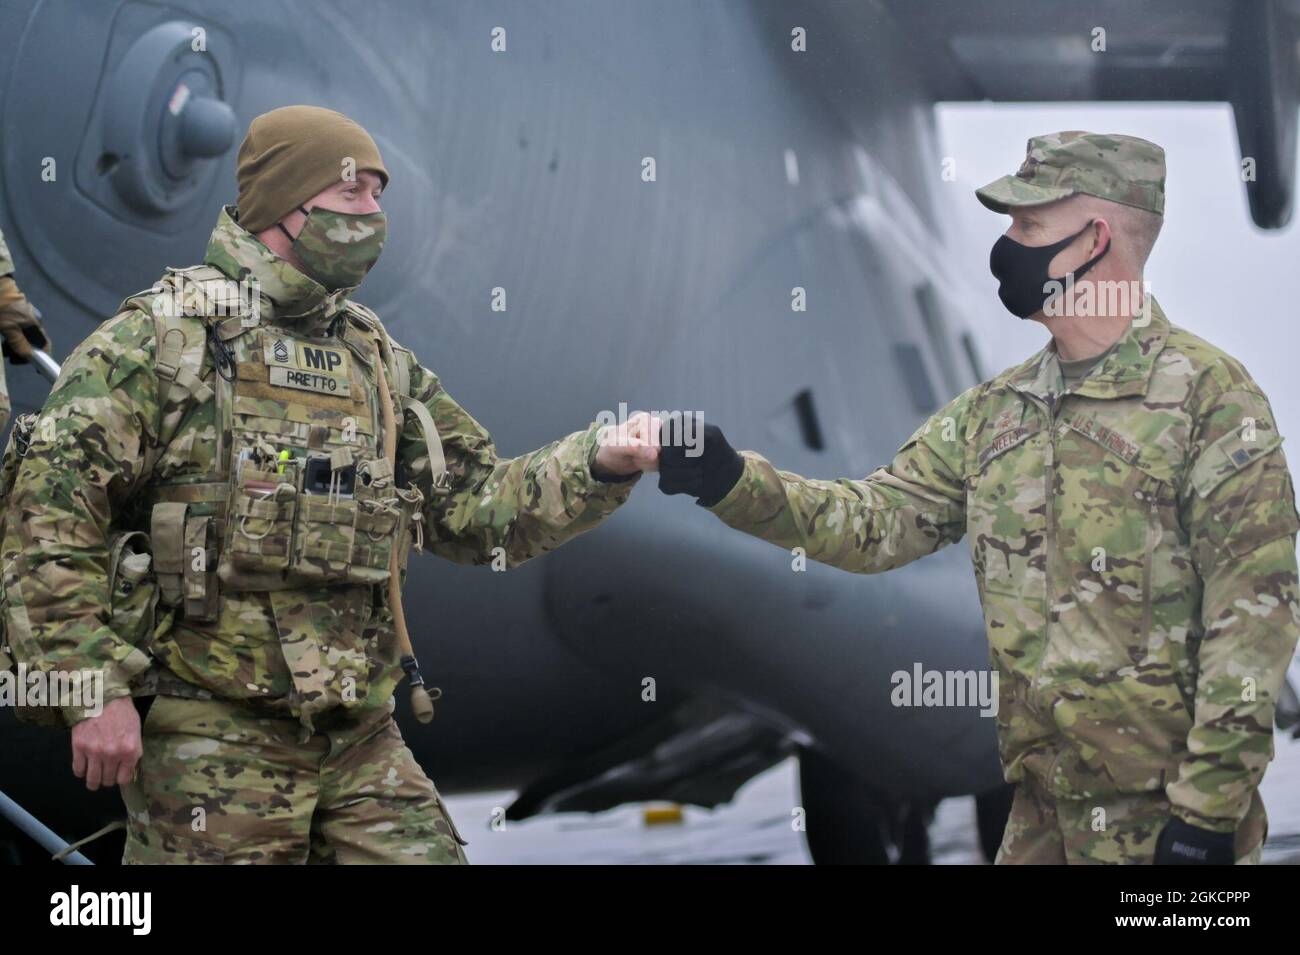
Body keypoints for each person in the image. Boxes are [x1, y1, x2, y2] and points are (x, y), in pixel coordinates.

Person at [3, 105, 657, 864]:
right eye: (353, 194)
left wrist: (599, 463)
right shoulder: (160, 340)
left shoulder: (372, 359)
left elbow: (475, 510)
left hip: (357, 738)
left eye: (378, 195)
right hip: (212, 737)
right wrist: (92, 688)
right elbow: (45, 518)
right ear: (286, 203)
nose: (373, 215)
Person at [657, 132, 1300, 864]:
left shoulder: (1211, 401)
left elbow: (1255, 616)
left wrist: (1209, 817)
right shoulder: (993, 414)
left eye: (1028, 225)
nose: (1005, 248)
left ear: (1094, 241)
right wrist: (730, 480)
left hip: (1165, 835)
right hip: (1037, 827)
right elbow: (874, 524)